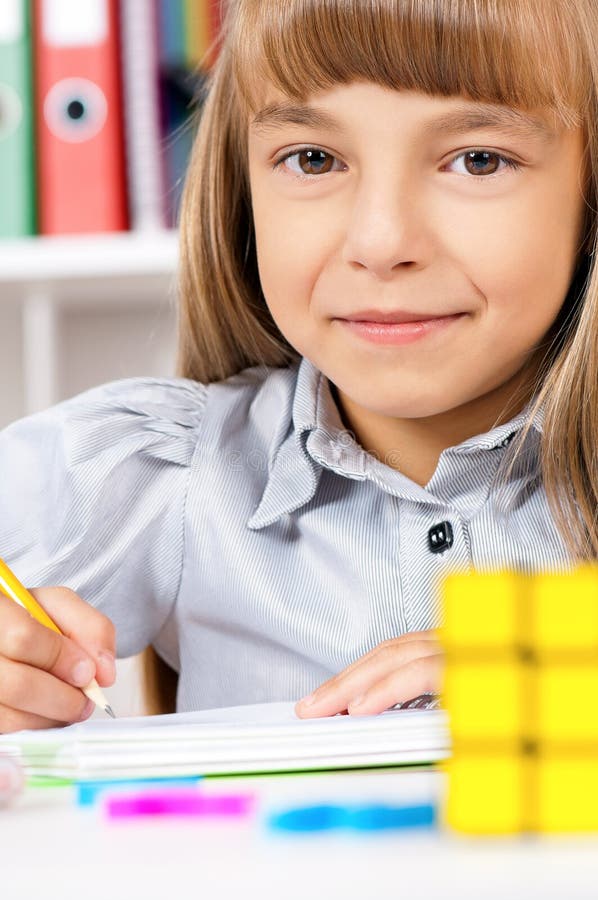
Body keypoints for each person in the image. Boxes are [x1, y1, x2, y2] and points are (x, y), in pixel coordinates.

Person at [0, 0, 596, 734]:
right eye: (313, 159)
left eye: (478, 159)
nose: (380, 242)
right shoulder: (161, 468)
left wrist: (562, 670)